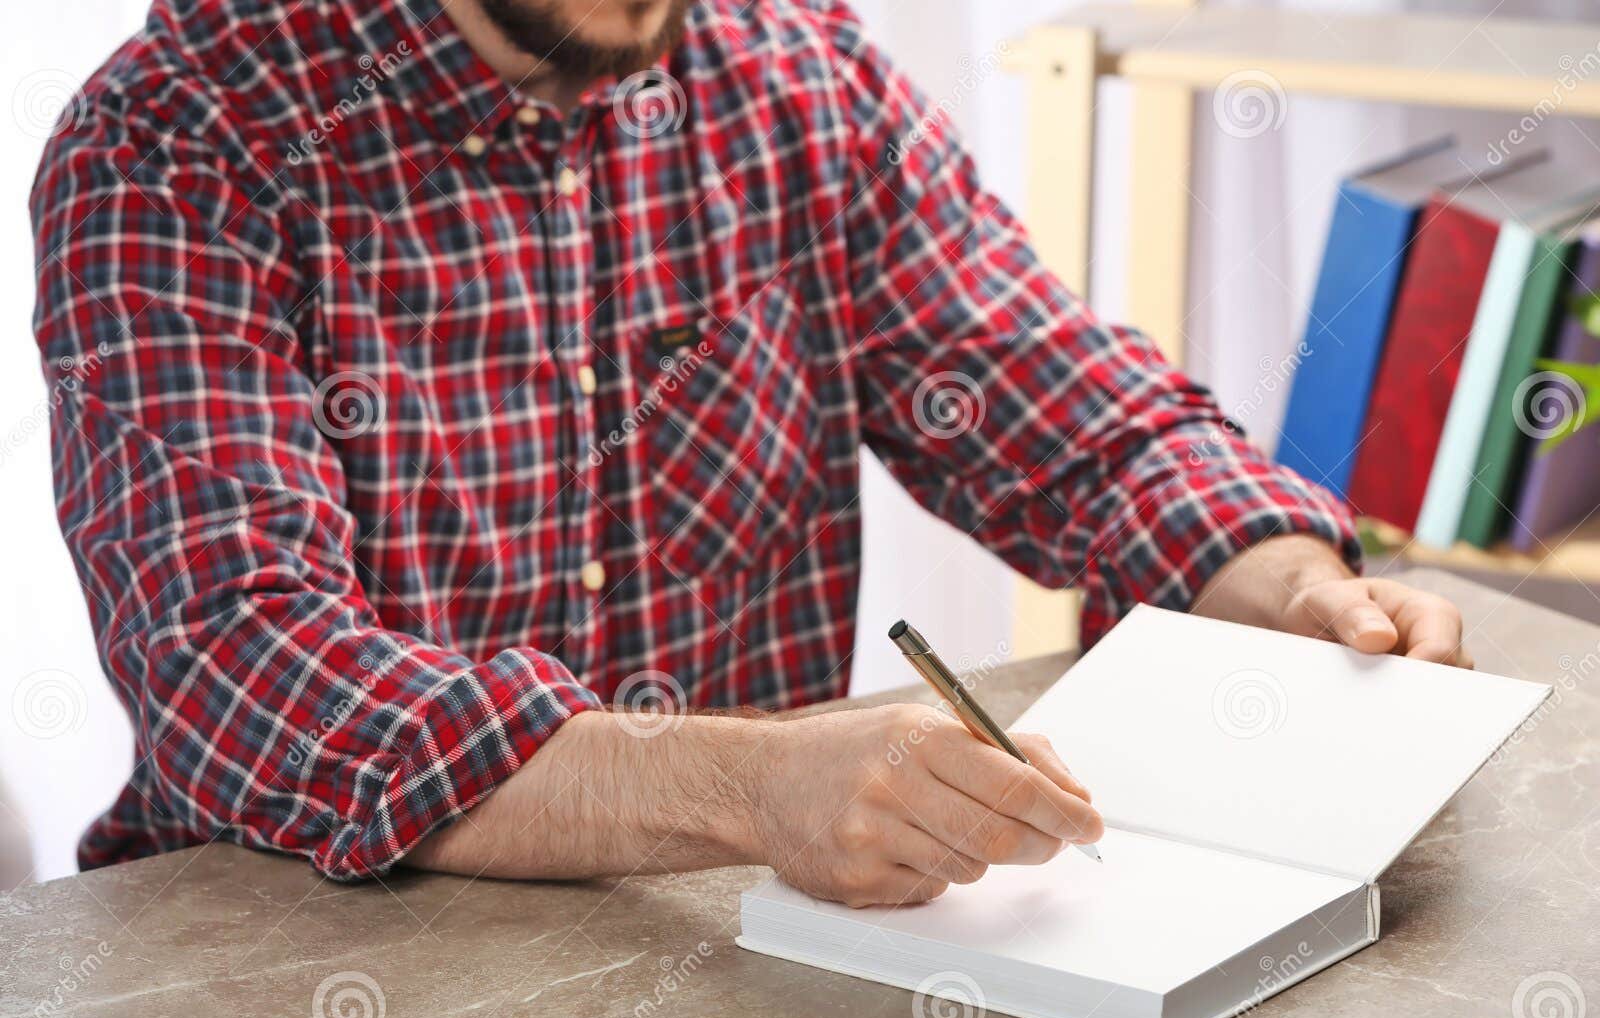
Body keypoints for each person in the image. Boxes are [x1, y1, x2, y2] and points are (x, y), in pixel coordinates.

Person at [32, 0, 1470, 908]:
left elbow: (1073, 418)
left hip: (730, 958)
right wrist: (744, 788)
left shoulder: (801, 79)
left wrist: (1284, 579)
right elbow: (238, 670)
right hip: (288, 971)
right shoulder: (177, 140)